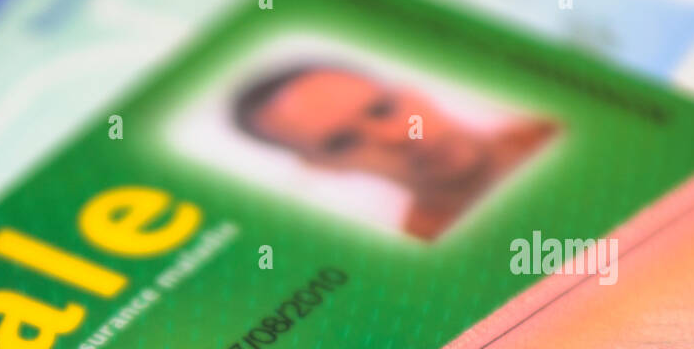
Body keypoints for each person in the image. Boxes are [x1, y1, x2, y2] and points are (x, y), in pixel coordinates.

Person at [233, 64, 557, 239]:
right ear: (322, 167)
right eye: (343, 141)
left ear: (413, 95)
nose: (398, 135)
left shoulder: (572, 123)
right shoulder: (435, 263)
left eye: (382, 109)